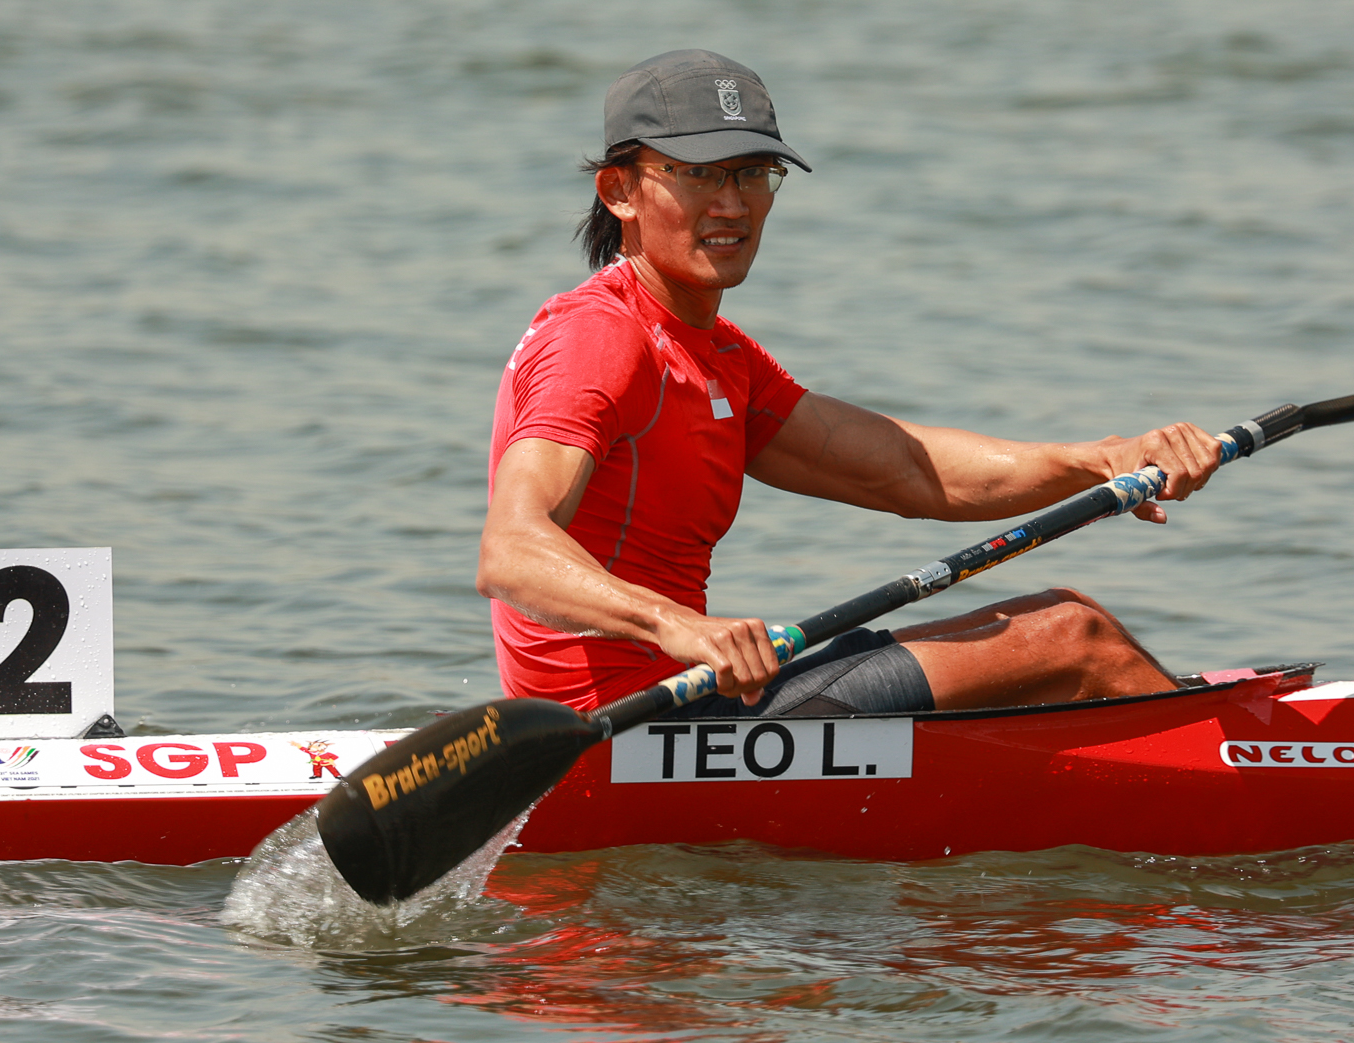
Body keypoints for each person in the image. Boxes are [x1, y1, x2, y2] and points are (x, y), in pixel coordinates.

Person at [479, 49, 1224, 720]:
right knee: (1075, 637)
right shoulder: (601, 338)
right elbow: (510, 549)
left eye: (750, 173)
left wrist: (1103, 461)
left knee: (1067, 617)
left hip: (703, 695)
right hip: (622, 722)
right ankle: (1244, 801)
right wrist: (679, 626)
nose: (732, 204)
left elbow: (907, 471)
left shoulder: (720, 356)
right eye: (699, 174)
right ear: (620, 191)